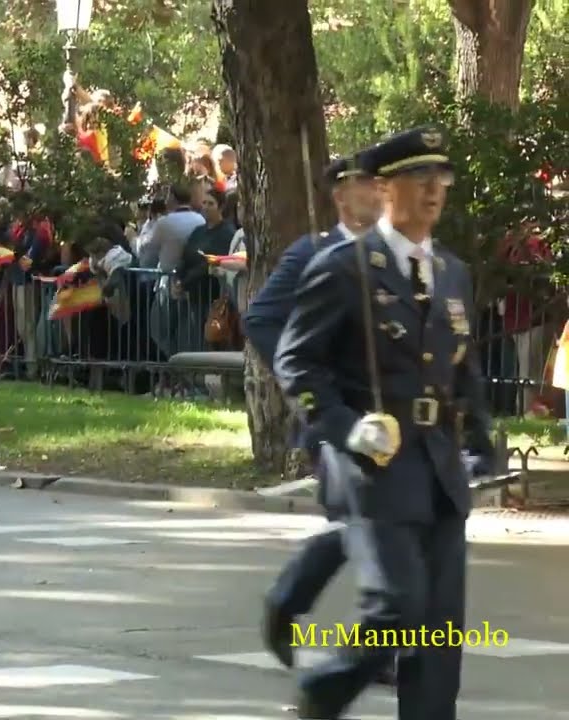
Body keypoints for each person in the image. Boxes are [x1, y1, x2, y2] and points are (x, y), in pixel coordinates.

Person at [274, 127, 495, 719]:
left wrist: (481, 441)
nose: (433, 189)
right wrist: (346, 427)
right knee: (398, 605)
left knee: (438, 635)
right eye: (418, 177)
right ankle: (321, 696)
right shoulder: (345, 267)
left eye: (441, 177)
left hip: (440, 469)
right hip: (376, 466)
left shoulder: (451, 271)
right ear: (383, 188)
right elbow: (296, 361)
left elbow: (461, 367)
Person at [243, 154, 386, 670]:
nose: (377, 192)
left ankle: (306, 609)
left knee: (380, 526)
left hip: (392, 419)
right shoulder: (314, 253)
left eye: (380, 183)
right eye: (365, 184)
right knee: (364, 524)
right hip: (336, 413)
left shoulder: (396, 256)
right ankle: (306, 614)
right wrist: (303, 375)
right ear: (341, 196)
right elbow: (261, 319)